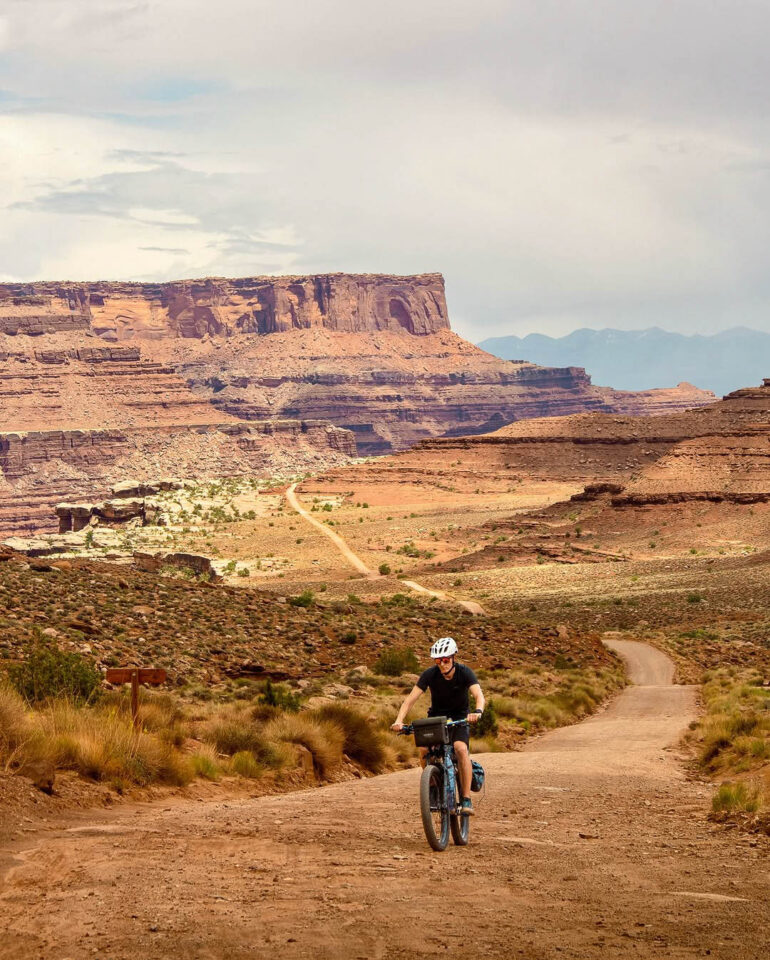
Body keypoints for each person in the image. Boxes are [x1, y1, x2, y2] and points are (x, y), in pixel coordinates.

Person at [391, 637, 485, 815]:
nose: (442, 664)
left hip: (460, 718)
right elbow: (409, 700)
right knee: (424, 750)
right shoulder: (429, 674)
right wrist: (399, 720)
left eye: (445, 660)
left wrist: (478, 712)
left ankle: (466, 799)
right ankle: (433, 786)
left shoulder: (465, 673)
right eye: (438, 661)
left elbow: (478, 695)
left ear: (453, 657)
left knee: (460, 749)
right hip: (436, 718)